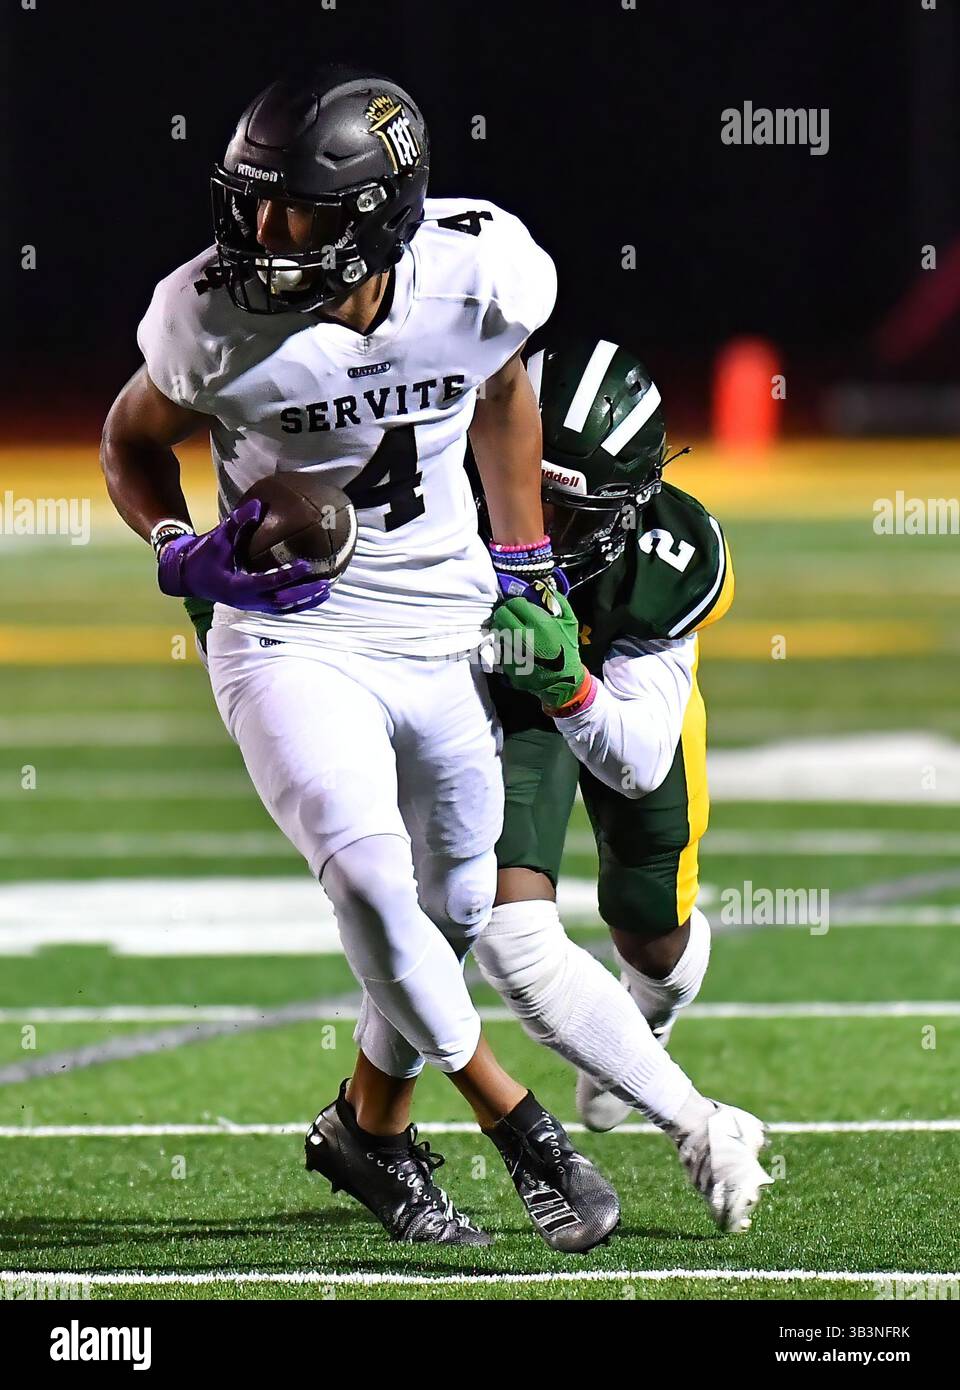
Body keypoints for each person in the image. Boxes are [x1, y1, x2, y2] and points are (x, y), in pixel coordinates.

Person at [100, 66, 619, 1252]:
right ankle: (523, 1126)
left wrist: (528, 562)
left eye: (296, 212)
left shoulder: (481, 269)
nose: (263, 234)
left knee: (455, 907)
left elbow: (498, 385)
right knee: (371, 883)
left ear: (382, 215)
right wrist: (181, 545)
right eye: (254, 201)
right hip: (291, 632)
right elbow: (131, 439)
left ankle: (366, 1133)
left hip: (442, 622)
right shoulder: (209, 313)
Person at [473, 337, 774, 1233]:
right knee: (494, 922)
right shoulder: (450, 486)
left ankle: (638, 1030)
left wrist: (565, 677)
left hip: (612, 693)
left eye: (572, 512)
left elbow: (634, 757)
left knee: (654, 943)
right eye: (524, 488)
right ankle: (686, 1116)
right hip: (504, 693)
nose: (539, 526)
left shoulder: (663, 560)